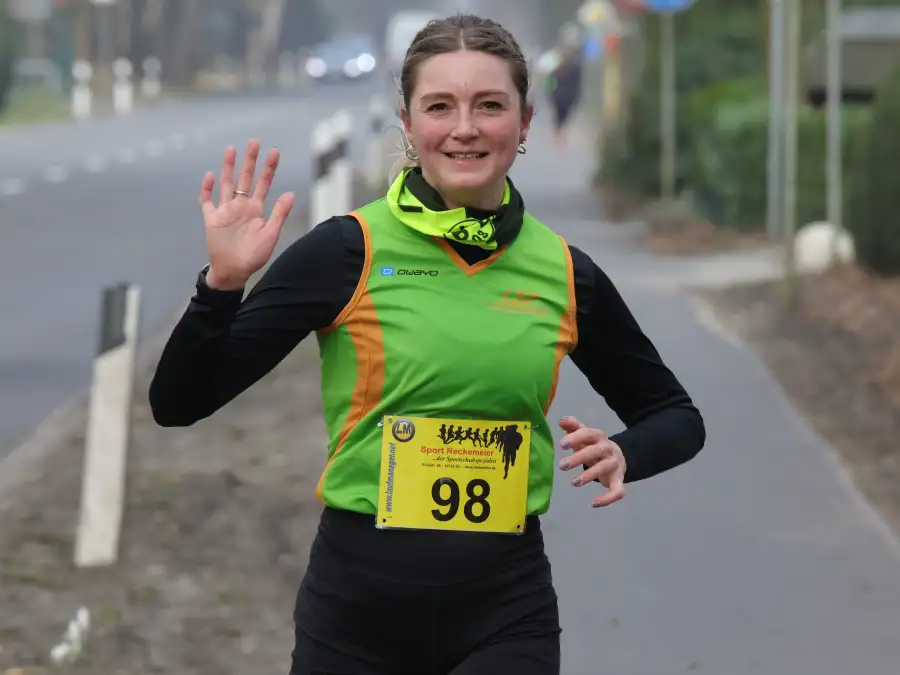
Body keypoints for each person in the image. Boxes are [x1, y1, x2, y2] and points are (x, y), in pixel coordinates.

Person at [149, 14, 705, 675]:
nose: (465, 127)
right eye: (440, 106)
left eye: (489, 105)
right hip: (356, 615)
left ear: (524, 123)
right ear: (410, 126)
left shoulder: (563, 270)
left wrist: (624, 451)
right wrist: (221, 287)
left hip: (505, 611)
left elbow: (676, 417)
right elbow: (179, 401)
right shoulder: (347, 250)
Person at [545, 45, 583, 150]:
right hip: (558, 97)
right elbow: (550, 81)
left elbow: (577, 84)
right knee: (558, 118)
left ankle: (559, 138)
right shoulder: (556, 68)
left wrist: (575, 97)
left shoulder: (575, 67)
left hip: (567, 98)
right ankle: (558, 139)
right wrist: (550, 94)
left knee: (564, 119)